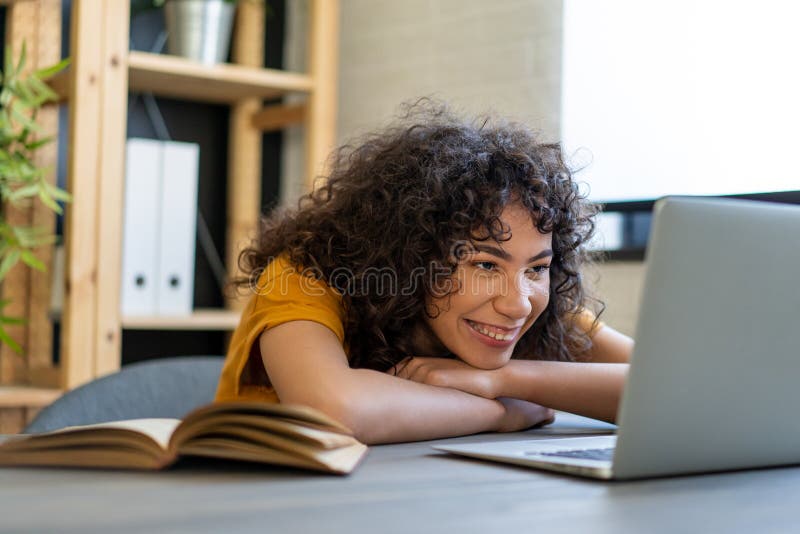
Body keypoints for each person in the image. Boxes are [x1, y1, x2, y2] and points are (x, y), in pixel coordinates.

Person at [216, 101, 633, 444]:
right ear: (411, 254)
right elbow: (333, 408)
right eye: (485, 264)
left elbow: (680, 388)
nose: (517, 303)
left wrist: (509, 378)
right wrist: (499, 413)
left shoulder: (530, 306)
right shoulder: (303, 277)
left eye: (537, 268)